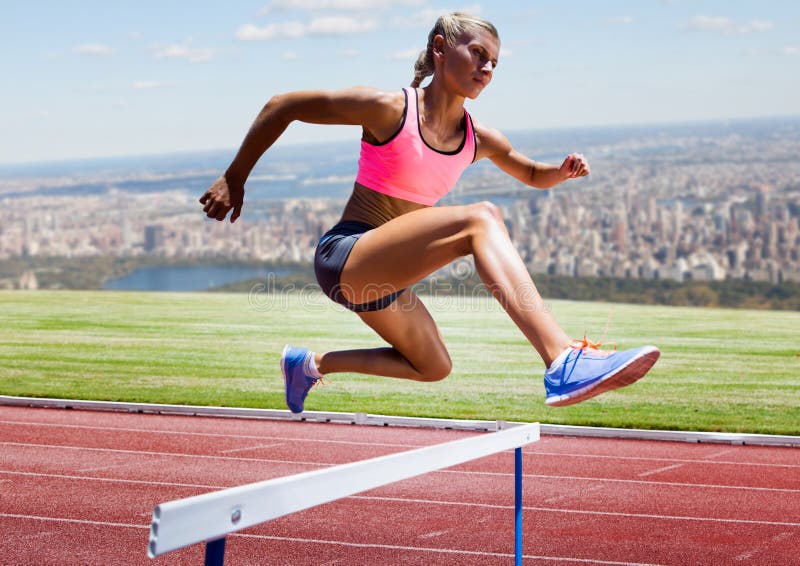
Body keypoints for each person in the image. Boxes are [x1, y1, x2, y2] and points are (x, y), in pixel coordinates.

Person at [200, 12, 660, 414]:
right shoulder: (388, 109)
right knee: (481, 218)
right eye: (478, 54)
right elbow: (282, 106)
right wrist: (234, 178)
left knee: (433, 366)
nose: (487, 68)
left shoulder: (479, 138)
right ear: (440, 48)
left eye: (494, 62)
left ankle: (309, 365)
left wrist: (561, 172)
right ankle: (562, 358)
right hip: (346, 256)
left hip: (385, 278)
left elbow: (532, 173)